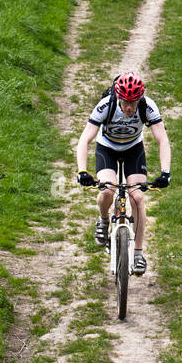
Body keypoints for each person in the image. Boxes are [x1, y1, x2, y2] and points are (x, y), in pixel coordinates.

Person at [75, 72, 171, 276]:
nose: (129, 108)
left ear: (139, 99)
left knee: (137, 197)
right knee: (107, 190)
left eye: (133, 103)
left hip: (133, 150)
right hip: (107, 149)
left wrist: (165, 172)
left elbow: (162, 138)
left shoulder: (148, 106)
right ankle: (103, 220)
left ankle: (137, 253)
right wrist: (82, 171)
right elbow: (85, 139)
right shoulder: (104, 106)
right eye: (125, 102)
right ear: (118, 98)